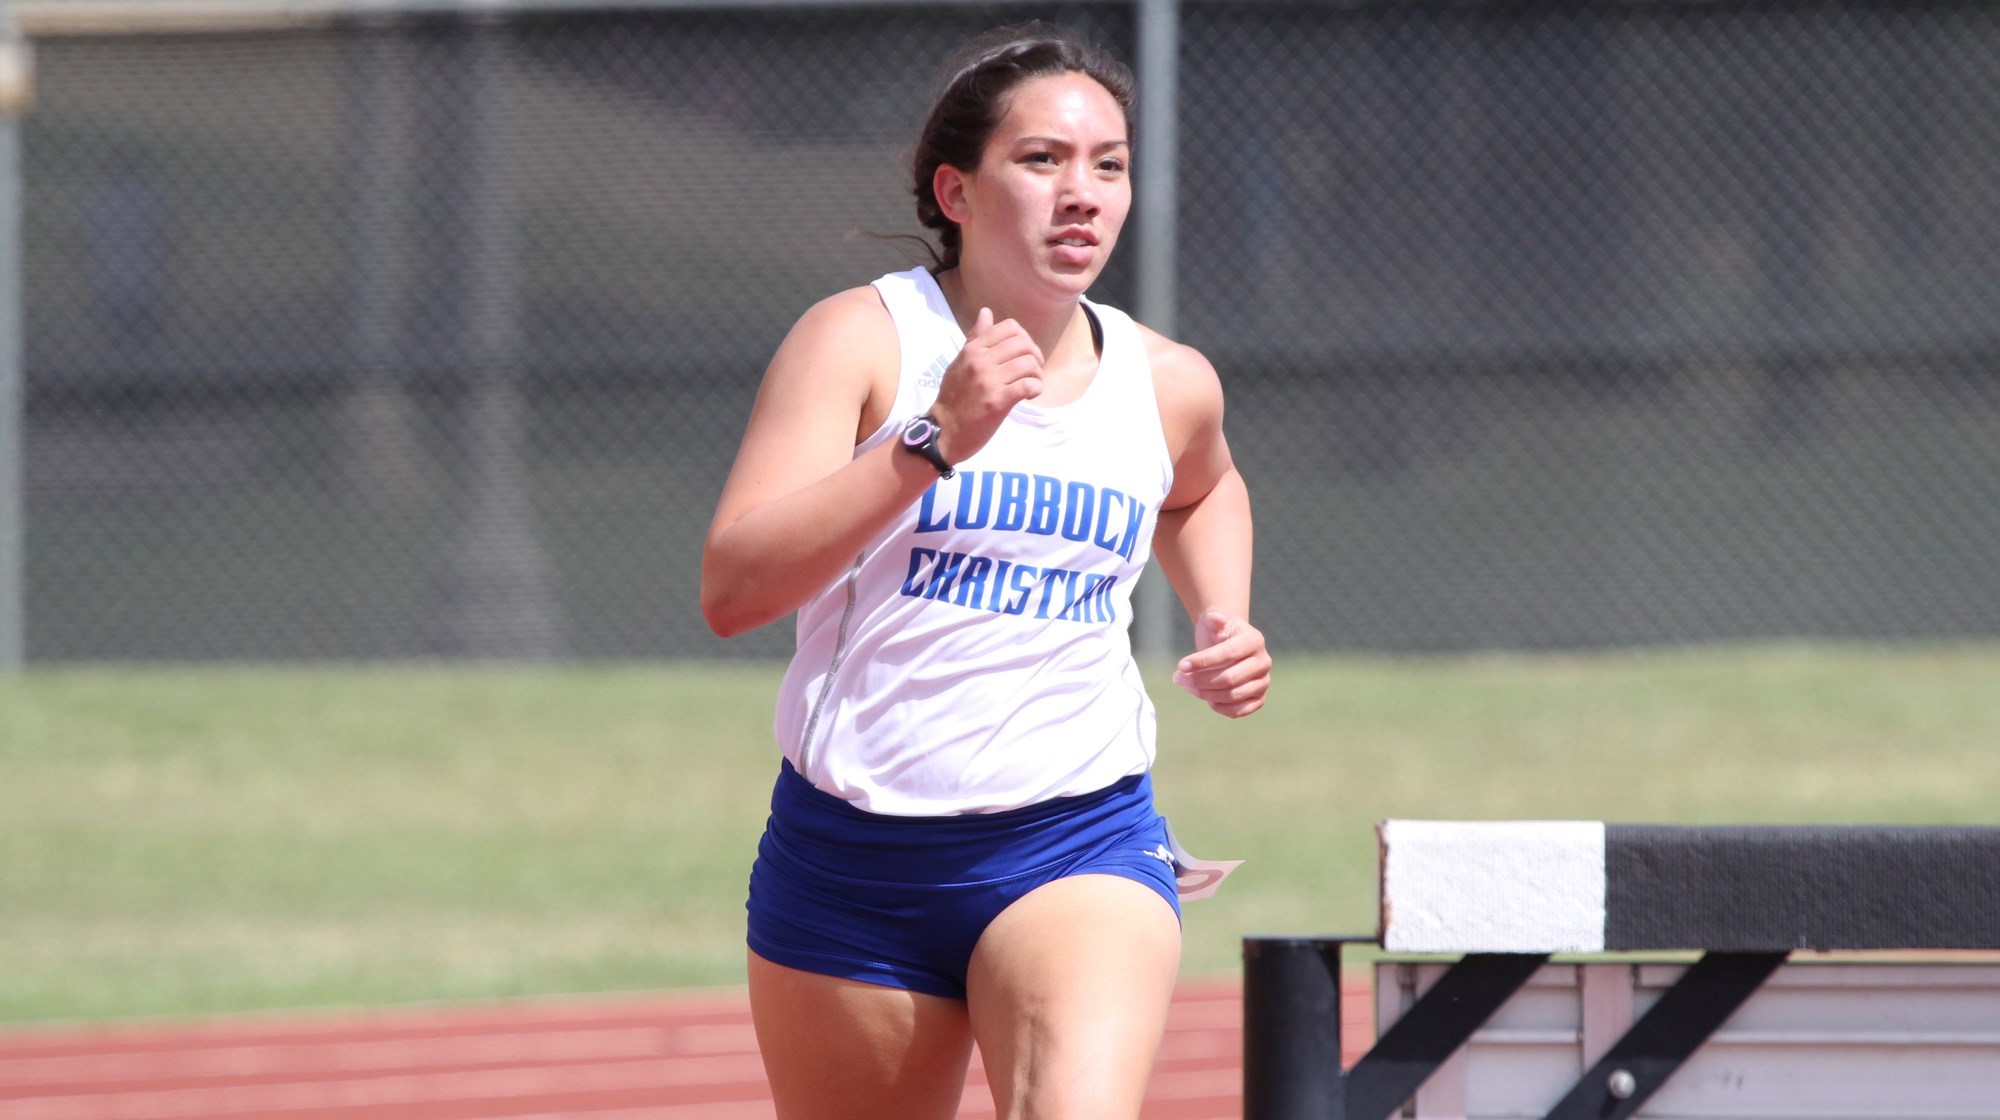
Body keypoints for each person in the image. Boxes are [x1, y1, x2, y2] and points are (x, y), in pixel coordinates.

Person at [700, 22, 1271, 1120]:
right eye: (1042, 160)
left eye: (1109, 165)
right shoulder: (863, 342)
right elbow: (734, 589)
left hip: (1076, 837)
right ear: (955, 191)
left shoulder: (1163, 380)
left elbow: (1201, 487)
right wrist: (932, 440)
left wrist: (1223, 615)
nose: (1082, 194)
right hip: (853, 858)